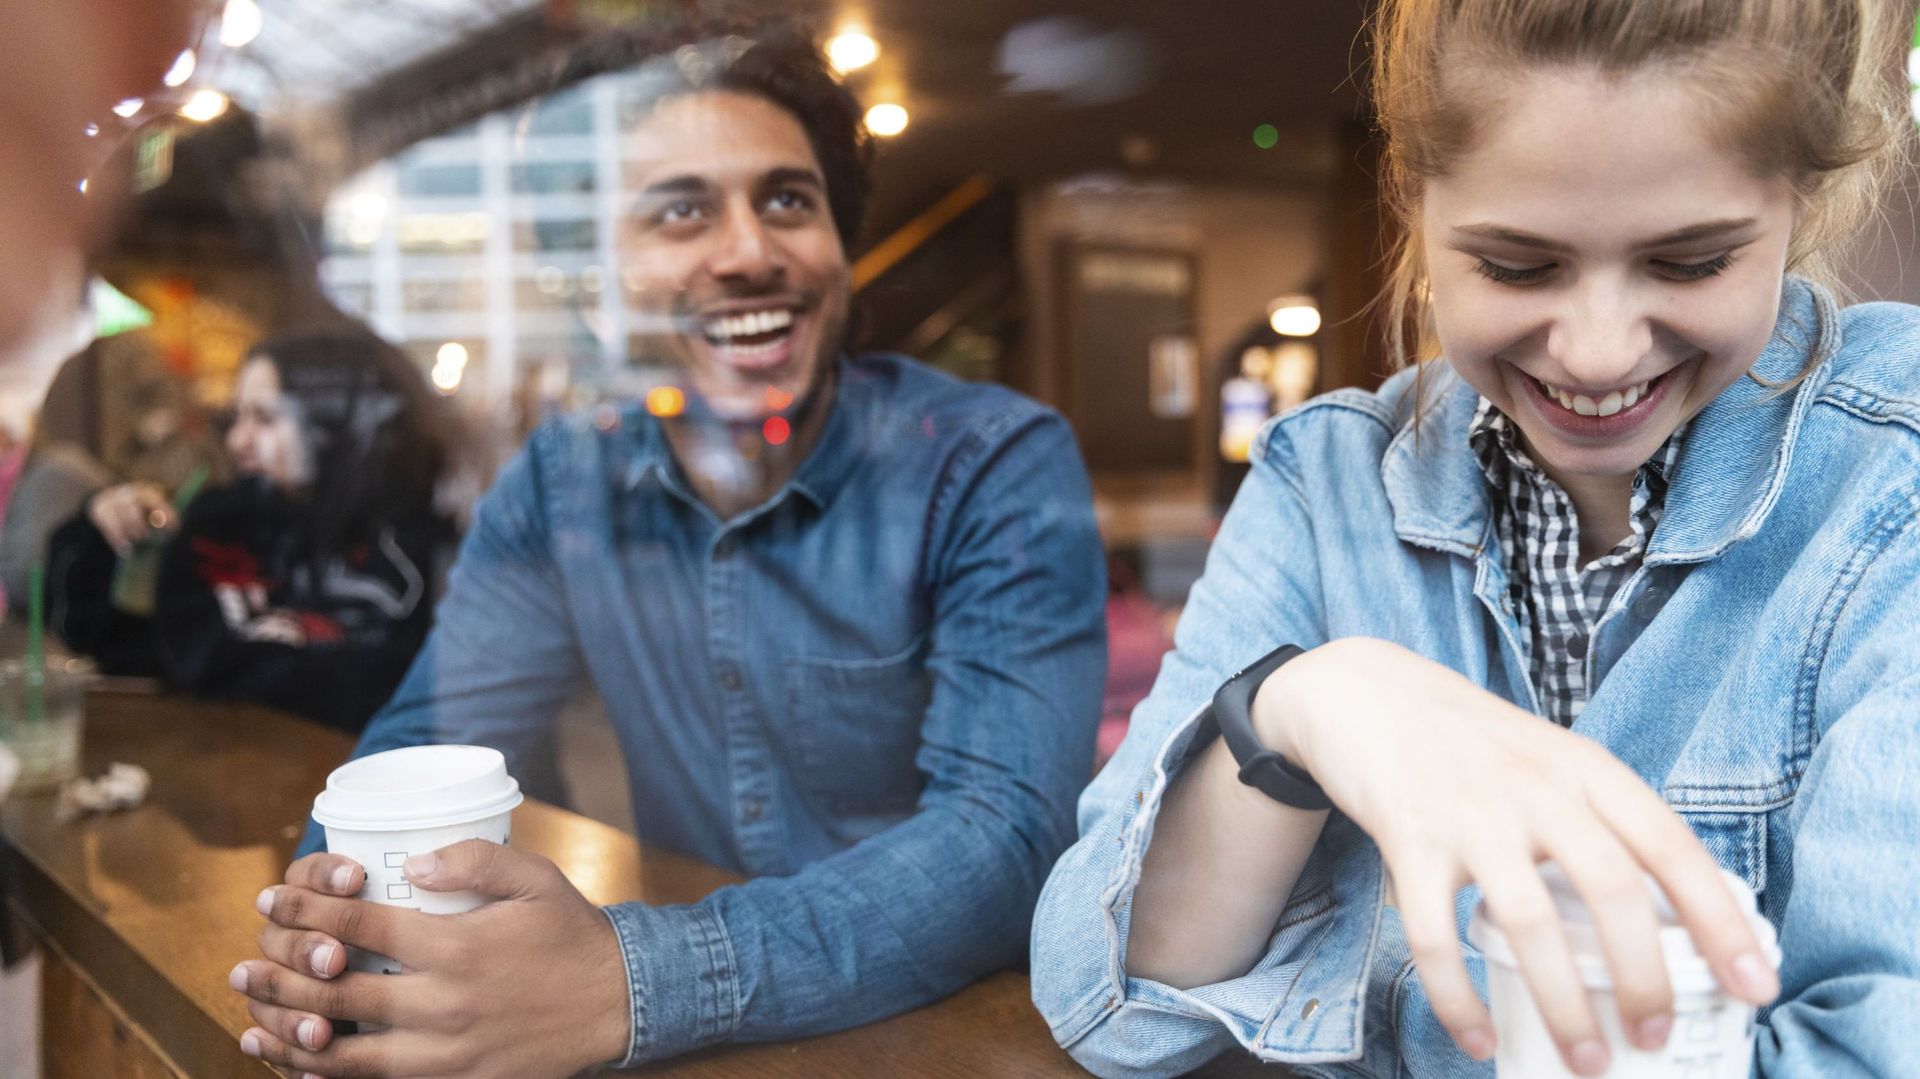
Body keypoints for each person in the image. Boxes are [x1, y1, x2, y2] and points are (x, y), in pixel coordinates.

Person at [1031, 1, 1919, 1076]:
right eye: (1517, 267)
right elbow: (1102, 995)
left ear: (1802, 202)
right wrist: (1303, 706)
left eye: (1690, 263)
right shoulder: (1325, 480)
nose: (1597, 354)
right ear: (1413, 201)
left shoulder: (1896, 476)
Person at [227, 31, 1106, 1078]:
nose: (750, 251)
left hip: (961, 1039)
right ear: (595, 280)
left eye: (788, 200)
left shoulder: (988, 460)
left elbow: (1005, 838)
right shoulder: (564, 482)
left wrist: (633, 976)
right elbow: (430, 736)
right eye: (681, 210)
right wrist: (329, 944)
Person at [48, 330, 457, 730]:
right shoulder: (224, 522)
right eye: (237, 417)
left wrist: (231, 665)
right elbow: (124, 650)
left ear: (338, 424)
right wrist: (100, 534)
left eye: (264, 418)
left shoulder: (418, 549)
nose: (236, 441)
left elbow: (396, 693)